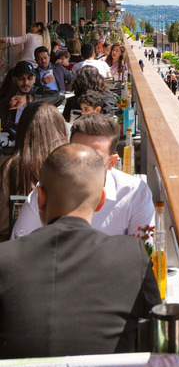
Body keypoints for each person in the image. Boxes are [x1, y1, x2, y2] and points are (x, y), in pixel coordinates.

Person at [0, 144, 161, 359]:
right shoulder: (132, 256)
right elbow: (156, 336)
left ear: (40, 197)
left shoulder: (5, 259)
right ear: (100, 201)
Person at [12, 114, 155, 240]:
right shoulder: (47, 190)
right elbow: (21, 246)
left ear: (112, 162)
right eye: (75, 155)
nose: (82, 165)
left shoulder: (135, 193)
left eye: (95, 159)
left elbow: (144, 252)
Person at [0, 103, 68, 240]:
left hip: (17, 247)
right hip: (63, 245)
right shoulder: (69, 165)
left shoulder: (10, 167)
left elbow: (3, 224)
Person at [0, 61, 64, 131]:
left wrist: (28, 99)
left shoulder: (40, 91)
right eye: (21, 78)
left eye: (29, 78)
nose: (26, 82)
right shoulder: (9, 98)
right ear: (14, 79)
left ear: (34, 79)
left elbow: (60, 97)